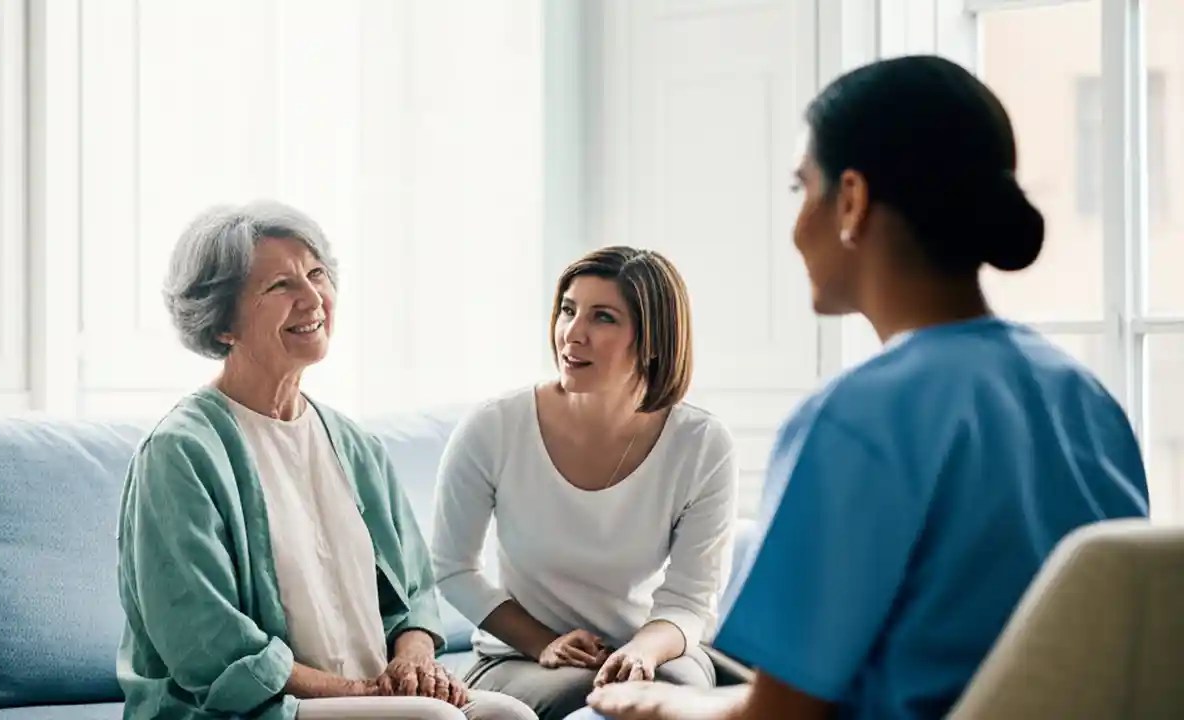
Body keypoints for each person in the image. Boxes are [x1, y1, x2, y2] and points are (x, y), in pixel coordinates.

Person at [581, 55, 1150, 720]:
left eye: (802, 189)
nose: (796, 226)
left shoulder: (858, 415)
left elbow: (779, 716)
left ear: (851, 200)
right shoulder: (1086, 398)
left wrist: (652, 702)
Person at [116, 201, 535, 720]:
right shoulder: (180, 454)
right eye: (280, 287)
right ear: (223, 323)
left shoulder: (354, 444)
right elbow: (210, 649)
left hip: (371, 698)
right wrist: (370, 695)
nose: (313, 298)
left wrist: (414, 663)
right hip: (256, 710)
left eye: (317, 275)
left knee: (509, 716)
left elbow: (414, 595)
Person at [431, 247, 740, 720]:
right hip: (519, 656)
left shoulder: (702, 444)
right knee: (586, 696)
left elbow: (690, 600)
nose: (573, 334)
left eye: (603, 318)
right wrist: (544, 643)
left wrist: (641, 652)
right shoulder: (493, 427)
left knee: (671, 697)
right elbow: (452, 568)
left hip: (655, 649)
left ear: (654, 339)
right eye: (568, 310)